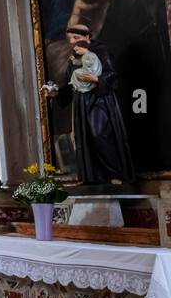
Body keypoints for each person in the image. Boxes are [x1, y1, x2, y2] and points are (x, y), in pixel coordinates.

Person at [50, 24, 136, 186]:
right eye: (70, 39)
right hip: (82, 102)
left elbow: (111, 74)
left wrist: (97, 80)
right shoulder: (74, 56)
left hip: (100, 99)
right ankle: (91, 177)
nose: (73, 42)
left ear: (88, 37)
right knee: (84, 138)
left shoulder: (101, 51)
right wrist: (58, 94)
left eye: (76, 38)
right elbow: (72, 81)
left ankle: (115, 173)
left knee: (100, 134)